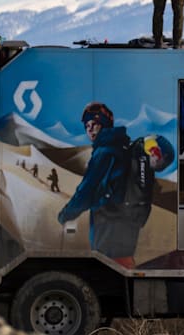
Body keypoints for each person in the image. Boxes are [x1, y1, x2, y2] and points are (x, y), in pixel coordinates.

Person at [56, 102, 135, 266]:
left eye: (95, 124)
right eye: (87, 126)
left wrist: (65, 215)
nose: (90, 129)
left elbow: (87, 190)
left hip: (108, 225)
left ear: (104, 125)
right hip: (124, 225)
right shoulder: (122, 147)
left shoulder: (104, 152)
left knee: (109, 267)